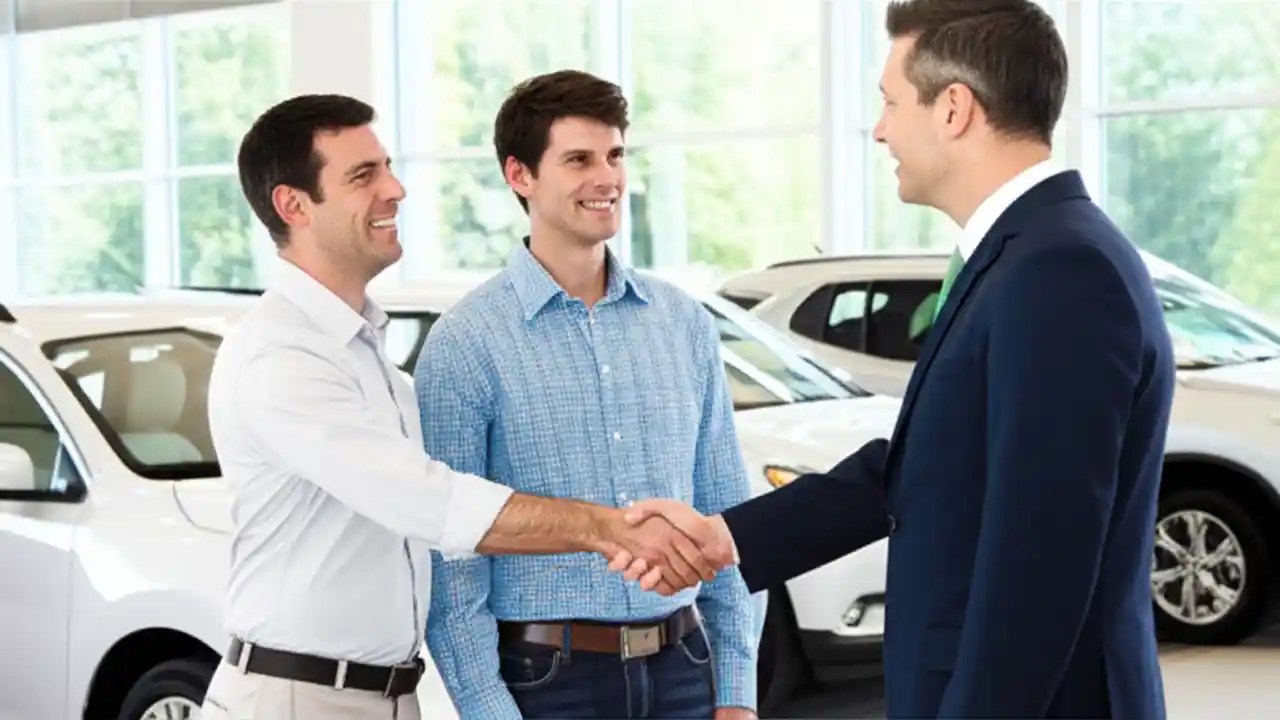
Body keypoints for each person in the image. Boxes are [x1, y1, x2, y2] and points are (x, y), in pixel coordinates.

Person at [620, 1, 1176, 718]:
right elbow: (922, 466)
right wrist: (725, 536)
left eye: (889, 101)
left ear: (954, 109)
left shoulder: (1058, 270)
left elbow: (1039, 570)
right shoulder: (1022, 255)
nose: (880, 128)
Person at [200, 93, 716, 720]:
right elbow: (428, 501)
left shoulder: (361, 348)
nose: (395, 189)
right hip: (295, 699)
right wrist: (607, 527)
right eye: (363, 175)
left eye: (387, 166)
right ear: (293, 205)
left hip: (381, 694)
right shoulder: (279, 355)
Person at [416, 70, 759, 720]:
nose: (607, 179)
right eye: (578, 159)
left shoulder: (683, 322)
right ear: (520, 175)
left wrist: (737, 691)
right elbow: (451, 560)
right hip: (548, 681)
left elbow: (726, 512)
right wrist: (489, 711)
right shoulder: (466, 343)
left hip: (687, 666)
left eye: (615, 155)